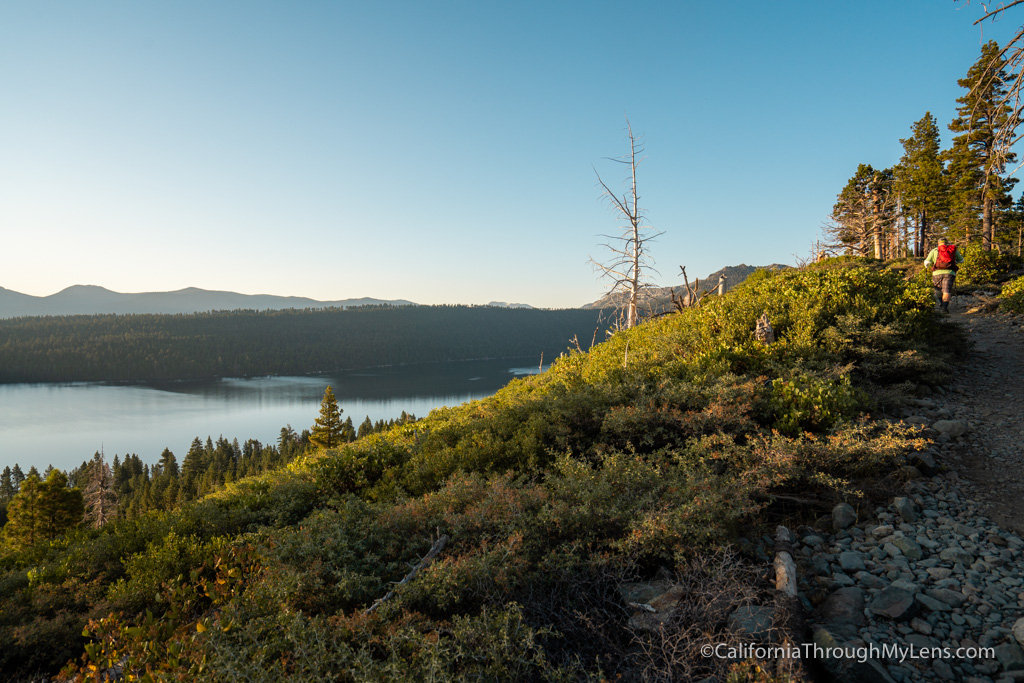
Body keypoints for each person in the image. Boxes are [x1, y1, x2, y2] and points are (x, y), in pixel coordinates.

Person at [923, 238, 964, 313]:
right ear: (946, 243)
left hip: (936, 273)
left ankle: (941, 304)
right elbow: (961, 260)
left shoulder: (934, 250)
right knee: (946, 291)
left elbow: (927, 262)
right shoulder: (952, 250)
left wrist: (927, 266)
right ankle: (944, 308)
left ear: (938, 243)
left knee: (938, 290)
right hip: (950, 273)